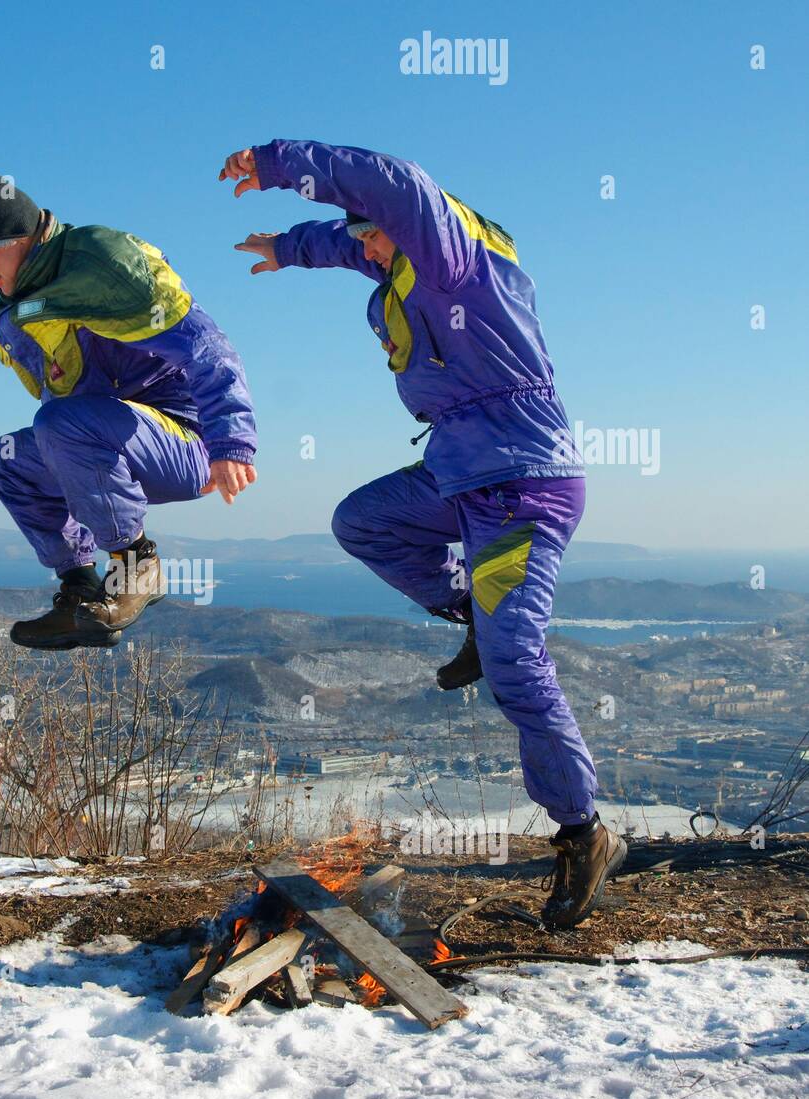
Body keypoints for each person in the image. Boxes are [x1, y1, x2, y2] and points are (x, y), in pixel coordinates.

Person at [220, 140, 624, 929]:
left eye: (377, 232)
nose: (368, 242)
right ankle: (468, 609)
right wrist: (287, 248)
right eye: (365, 234)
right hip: (460, 475)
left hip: (519, 487)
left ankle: (584, 831)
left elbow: (392, 185)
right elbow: (352, 236)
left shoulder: (453, 258)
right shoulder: (403, 263)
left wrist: (275, 163)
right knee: (361, 521)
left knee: (515, 660)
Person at [0, 169, 258, 649]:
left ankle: (137, 566)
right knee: (7, 458)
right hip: (109, 442)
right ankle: (81, 592)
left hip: (186, 442)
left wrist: (232, 442)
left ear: (19, 238)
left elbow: (209, 349)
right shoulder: (27, 300)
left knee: (59, 424)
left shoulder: (105, 269)